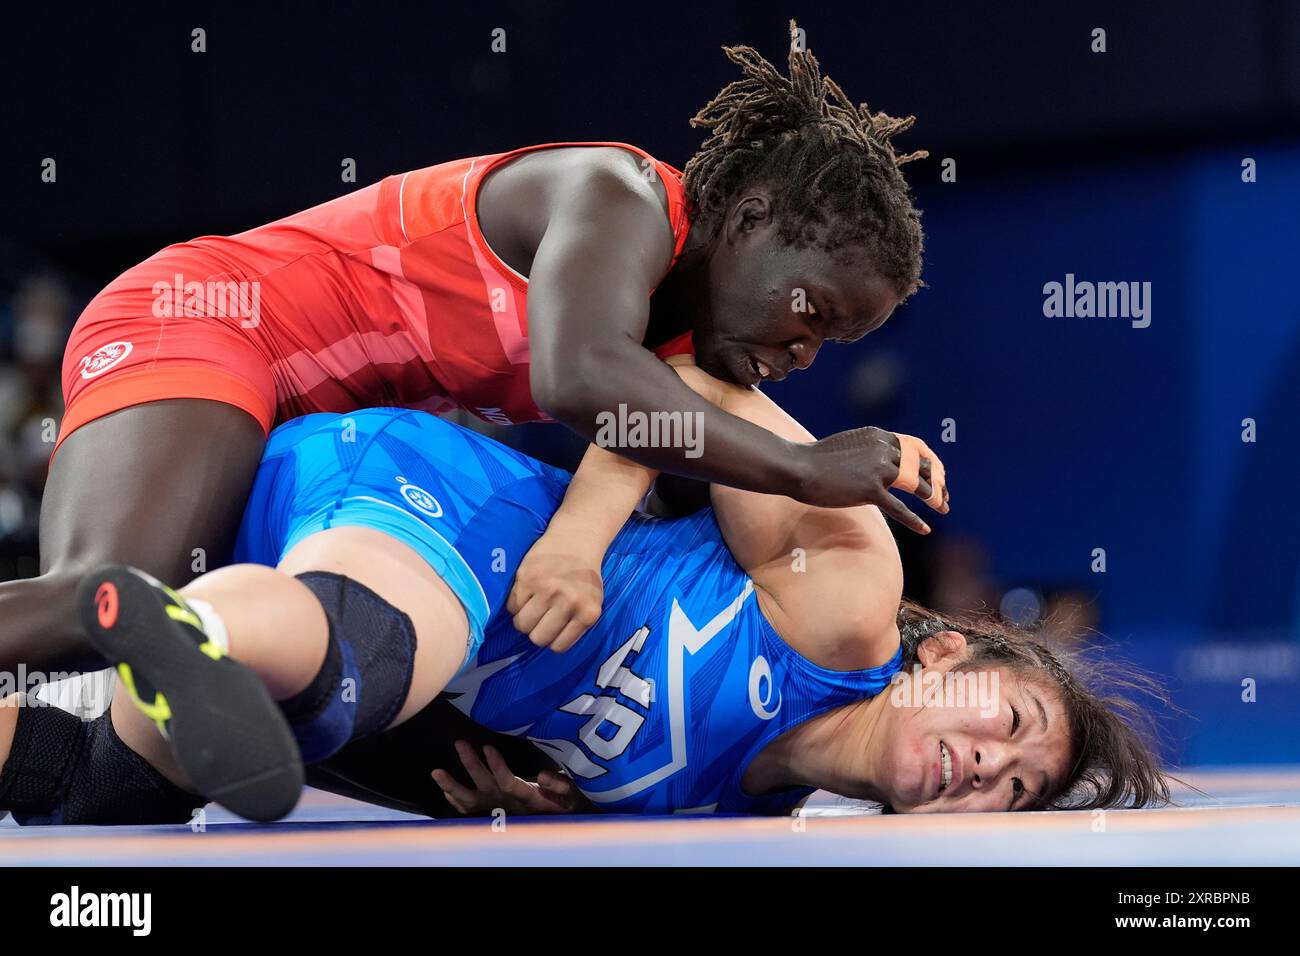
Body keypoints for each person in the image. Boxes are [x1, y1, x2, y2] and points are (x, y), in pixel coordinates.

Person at [2, 21, 933, 683]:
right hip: (212, 318)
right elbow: (583, 378)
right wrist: (804, 466)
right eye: (810, 308)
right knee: (104, 601)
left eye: (832, 341)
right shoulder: (621, 198)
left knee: (192, 633)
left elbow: (705, 516)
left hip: (304, 438)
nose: (806, 350)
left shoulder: (693, 352)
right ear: (751, 218)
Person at [0, 362, 1168, 823]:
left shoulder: (734, 819)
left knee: (98, 793)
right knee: (358, 668)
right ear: (950, 656)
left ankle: (158, 661)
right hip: (440, 505)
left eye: (1014, 791)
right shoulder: (845, 601)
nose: (985, 766)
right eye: (1007, 724)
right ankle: (183, 630)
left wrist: (556, 817)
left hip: (376, 606)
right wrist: (577, 538)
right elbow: (681, 375)